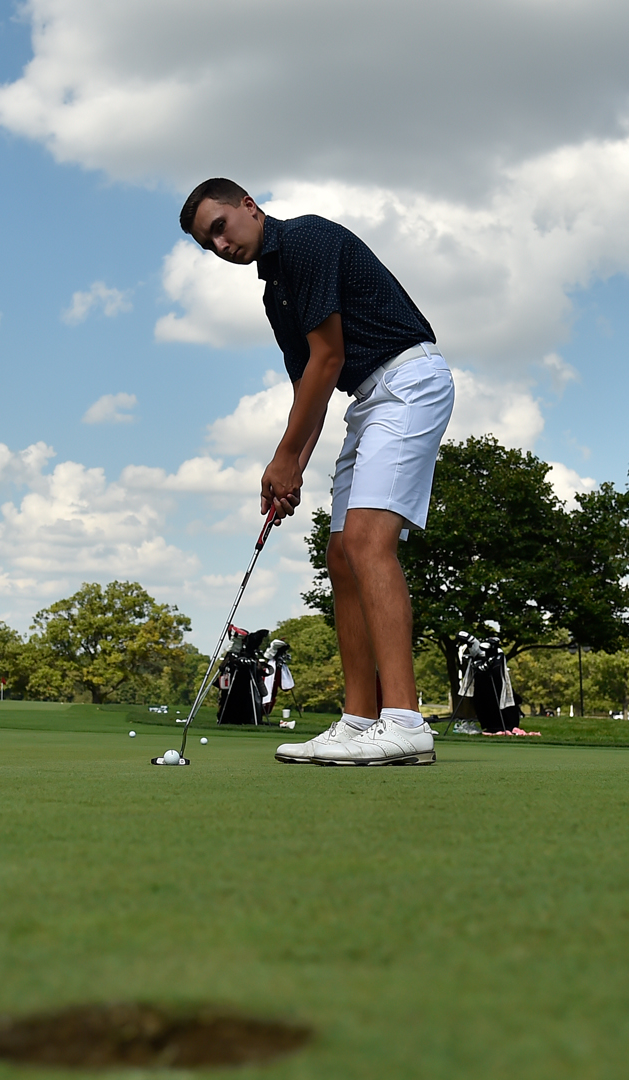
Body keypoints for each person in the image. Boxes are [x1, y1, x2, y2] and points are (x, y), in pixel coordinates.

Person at [180, 178, 455, 766]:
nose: (220, 245)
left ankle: (405, 721)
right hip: (368, 401)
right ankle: (358, 721)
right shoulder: (274, 294)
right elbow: (309, 386)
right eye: (209, 243)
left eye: (221, 226)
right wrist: (293, 470)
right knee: (340, 554)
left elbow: (329, 357)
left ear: (249, 206)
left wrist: (284, 459)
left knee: (367, 541)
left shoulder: (305, 240)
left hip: (408, 381)